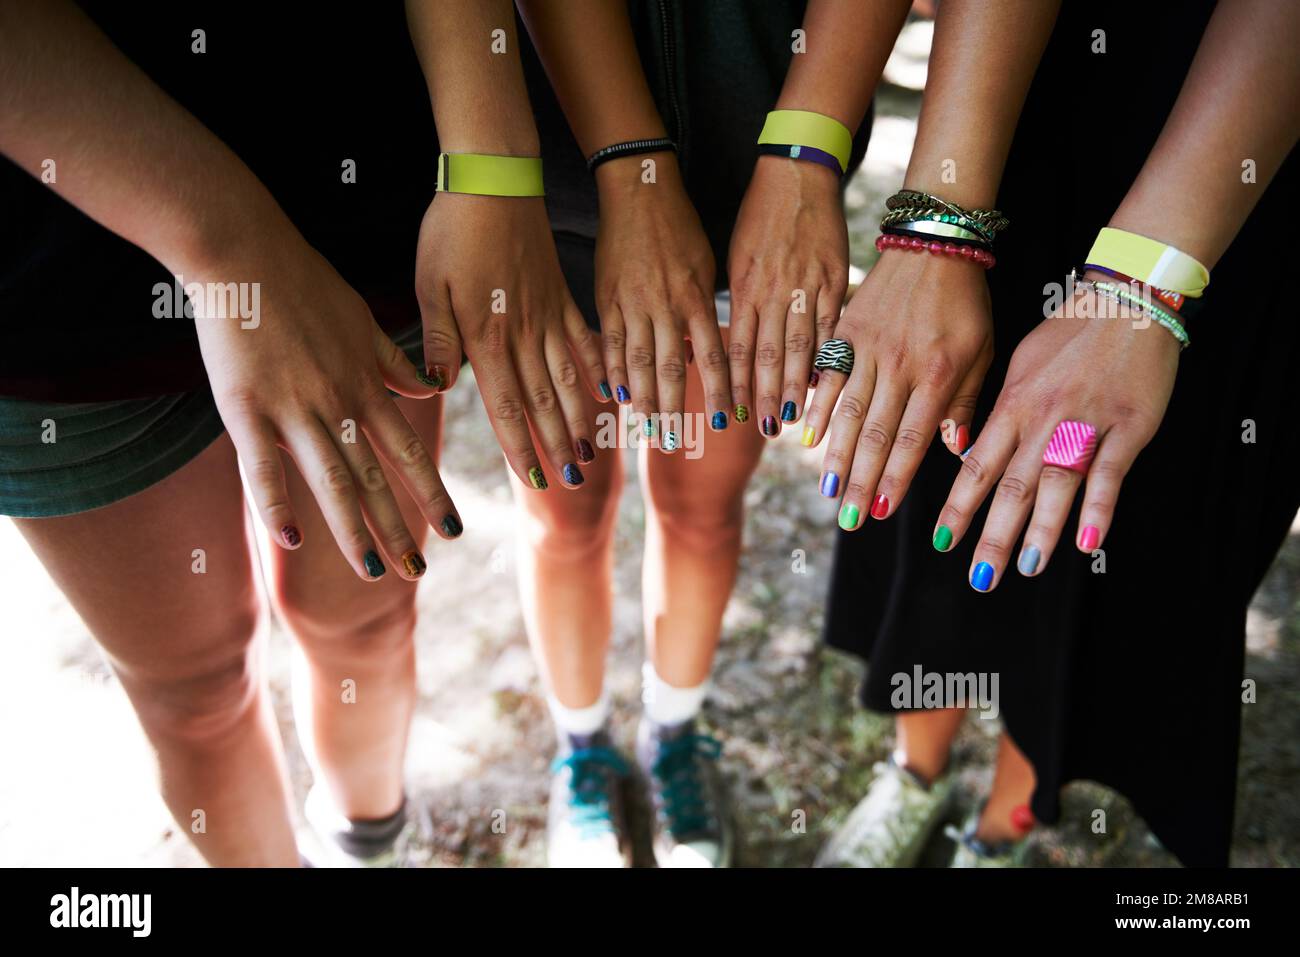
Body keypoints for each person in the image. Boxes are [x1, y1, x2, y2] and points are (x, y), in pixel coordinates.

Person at [812, 0, 1299, 867]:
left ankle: (1007, 821)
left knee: (1110, 507)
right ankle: (915, 772)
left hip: (1254, 136)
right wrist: (938, 224)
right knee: (942, 457)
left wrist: (1142, 284)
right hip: (1033, 70)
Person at [0, 0, 486, 867]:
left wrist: (488, 167)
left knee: (366, 619)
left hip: (348, 187)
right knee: (194, 695)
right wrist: (228, 246)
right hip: (47, 274)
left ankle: (367, 845)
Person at [456, 0, 907, 866]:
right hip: (548, 173)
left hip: (760, 150)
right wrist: (630, 166)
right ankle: (582, 748)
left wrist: (806, 143)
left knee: (702, 501)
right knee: (562, 507)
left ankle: (675, 728)